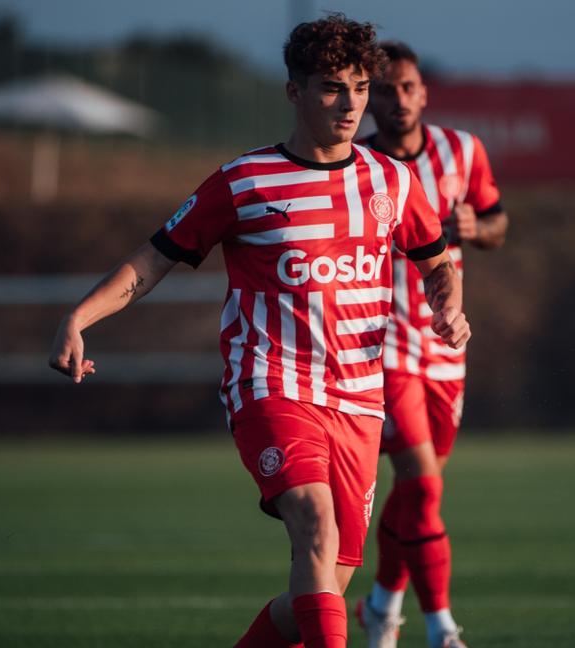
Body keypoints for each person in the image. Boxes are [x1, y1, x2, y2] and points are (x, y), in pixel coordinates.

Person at [48, 15, 470, 648]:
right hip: (272, 384)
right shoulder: (245, 181)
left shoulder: (391, 180)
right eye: (332, 88)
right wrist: (78, 317)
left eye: (360, 88)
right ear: (294, 91)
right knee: (315, 526)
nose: (351, 104)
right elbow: (155, 259)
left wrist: (448, 307)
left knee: (326, 582)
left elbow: (438, 264)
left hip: (359, 399)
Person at [353, 41, 508, 648]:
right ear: (370, 100)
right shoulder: (358, 166)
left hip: (446, 343)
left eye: (407, 87)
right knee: (420, 482)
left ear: (424, 93)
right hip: (384, 344)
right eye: (385, 89)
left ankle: (381, 605)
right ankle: (442, 628)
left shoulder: (463, 151)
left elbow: (498, 223)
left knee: (419, 492)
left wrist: (478, 228)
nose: (398, 98)